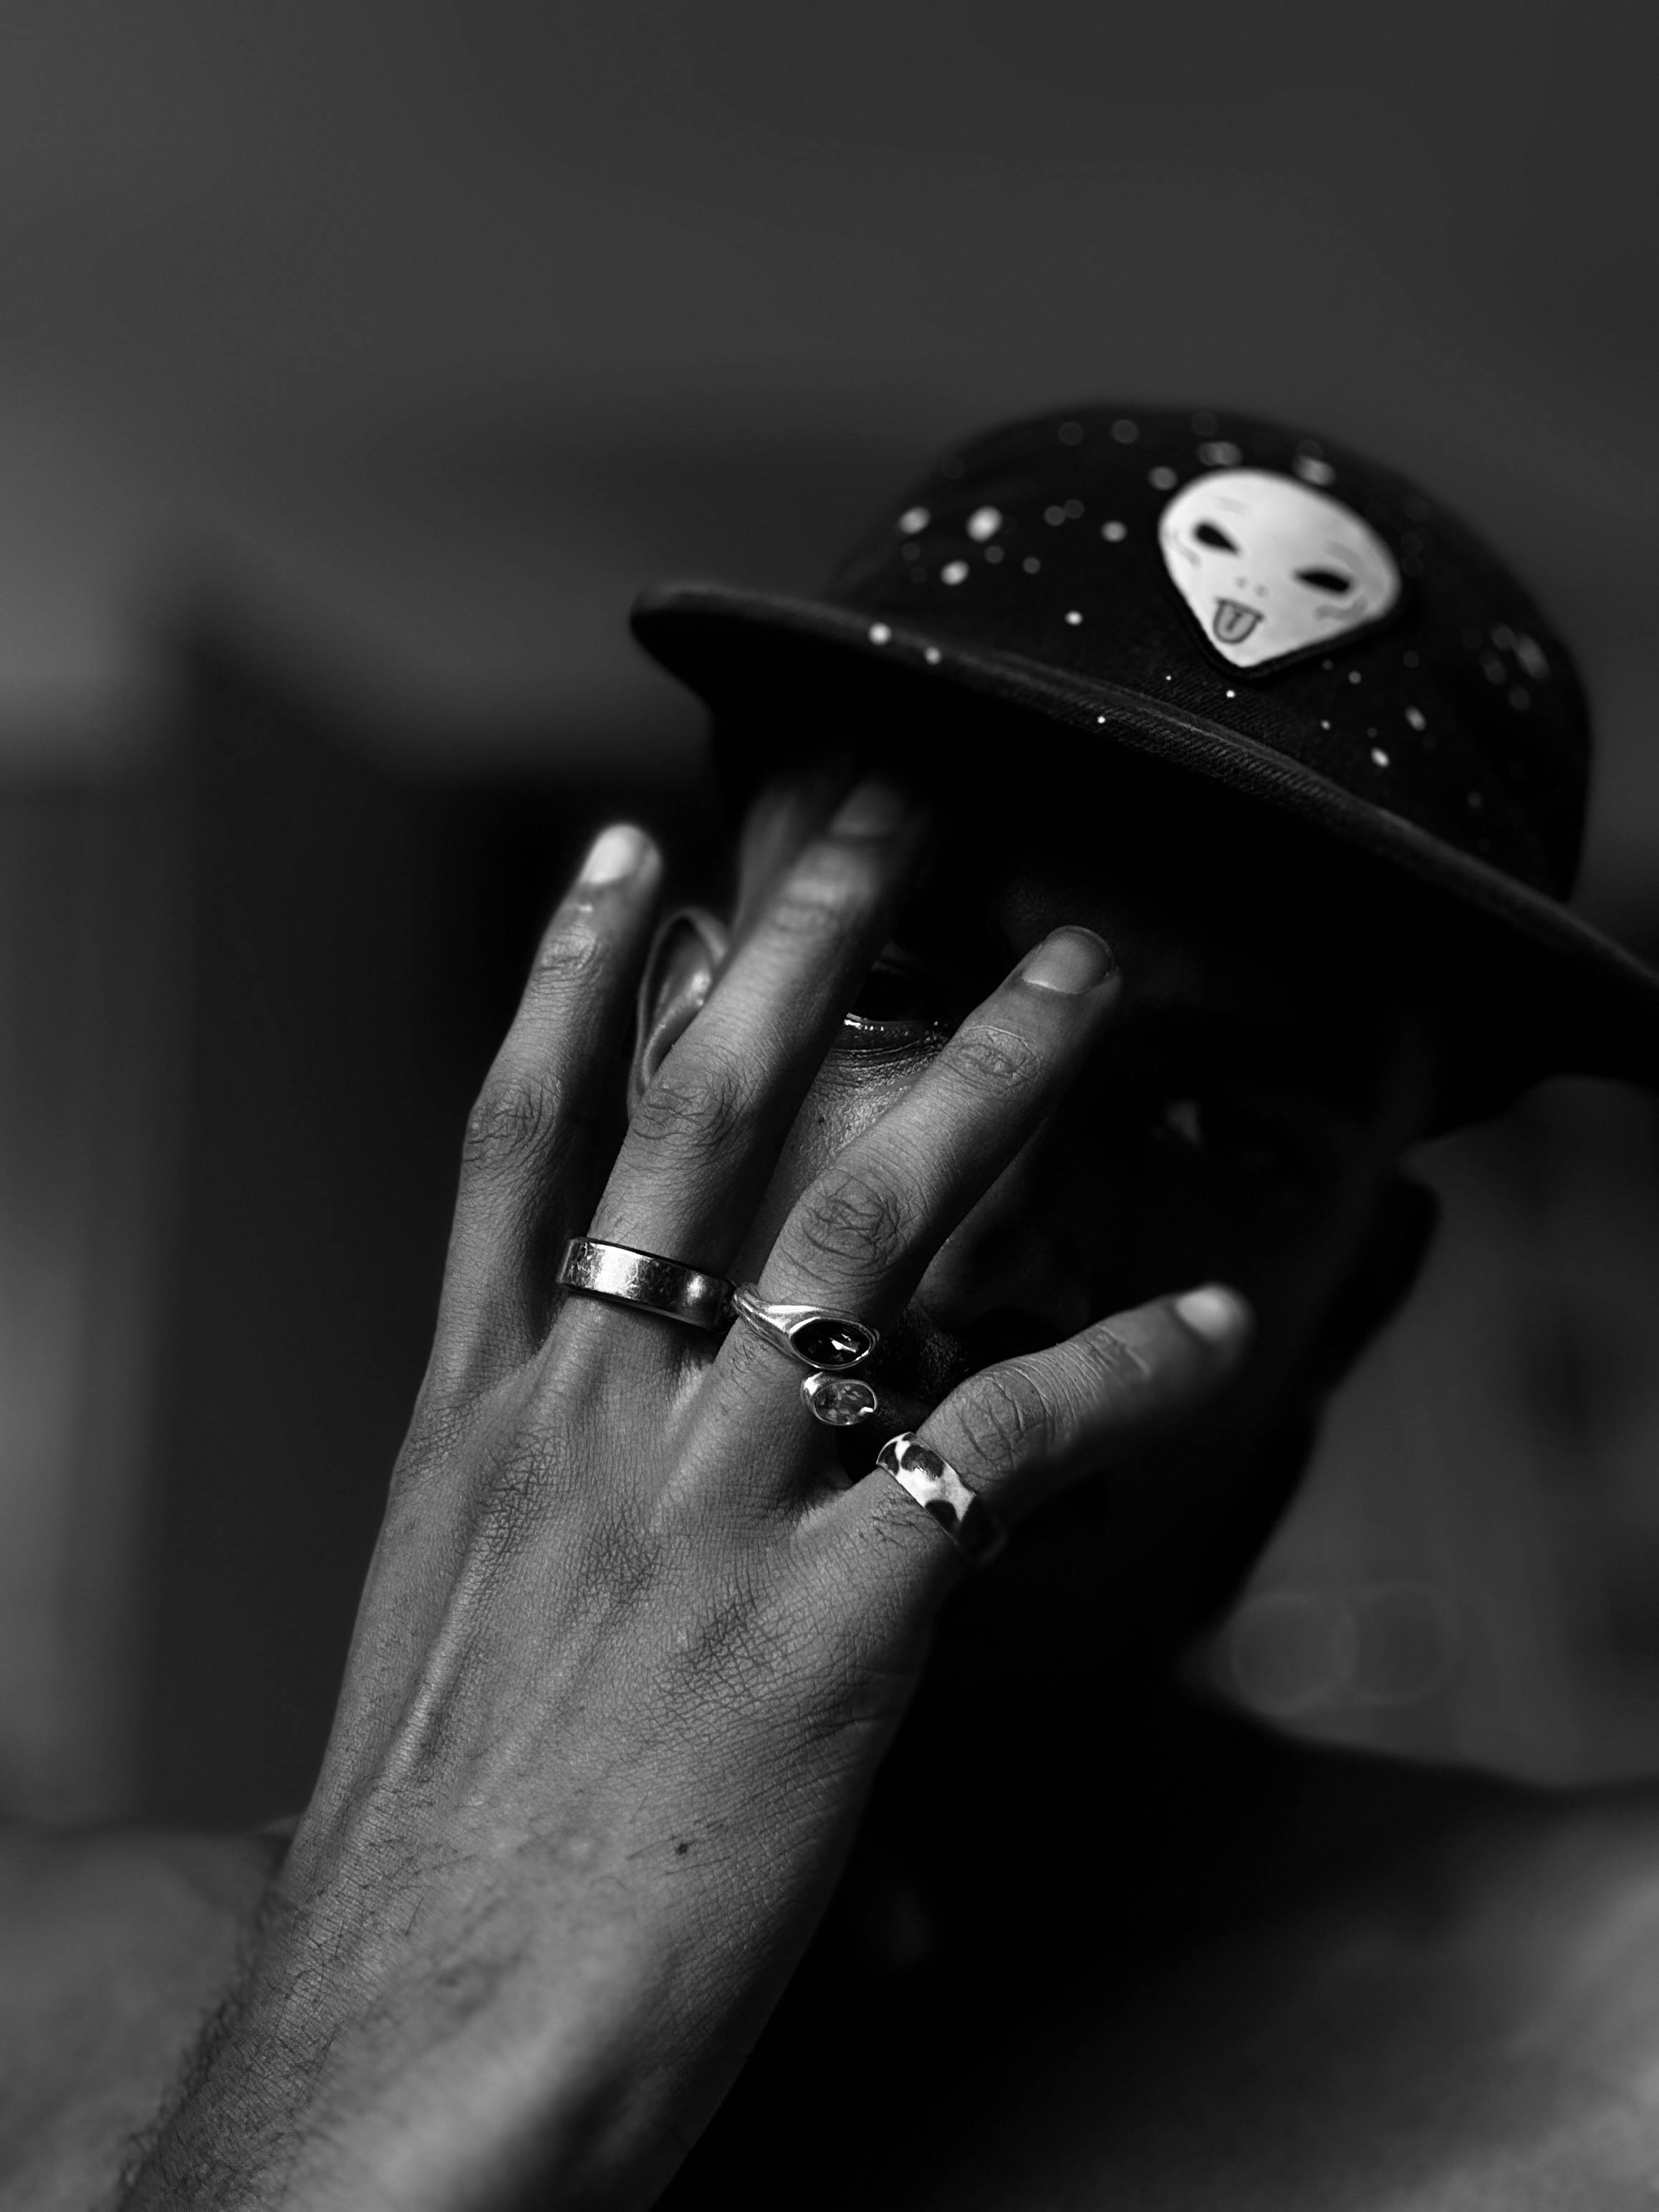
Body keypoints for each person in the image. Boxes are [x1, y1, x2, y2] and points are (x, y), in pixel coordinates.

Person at [11, 405, 1659, 2209]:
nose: (974, 1237)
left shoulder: (1612, 2029)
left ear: (1352, 1299)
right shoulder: (48, 1991)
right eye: (888, 994)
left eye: (1219, 1131)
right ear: (670, 1054)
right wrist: (377, 2068)